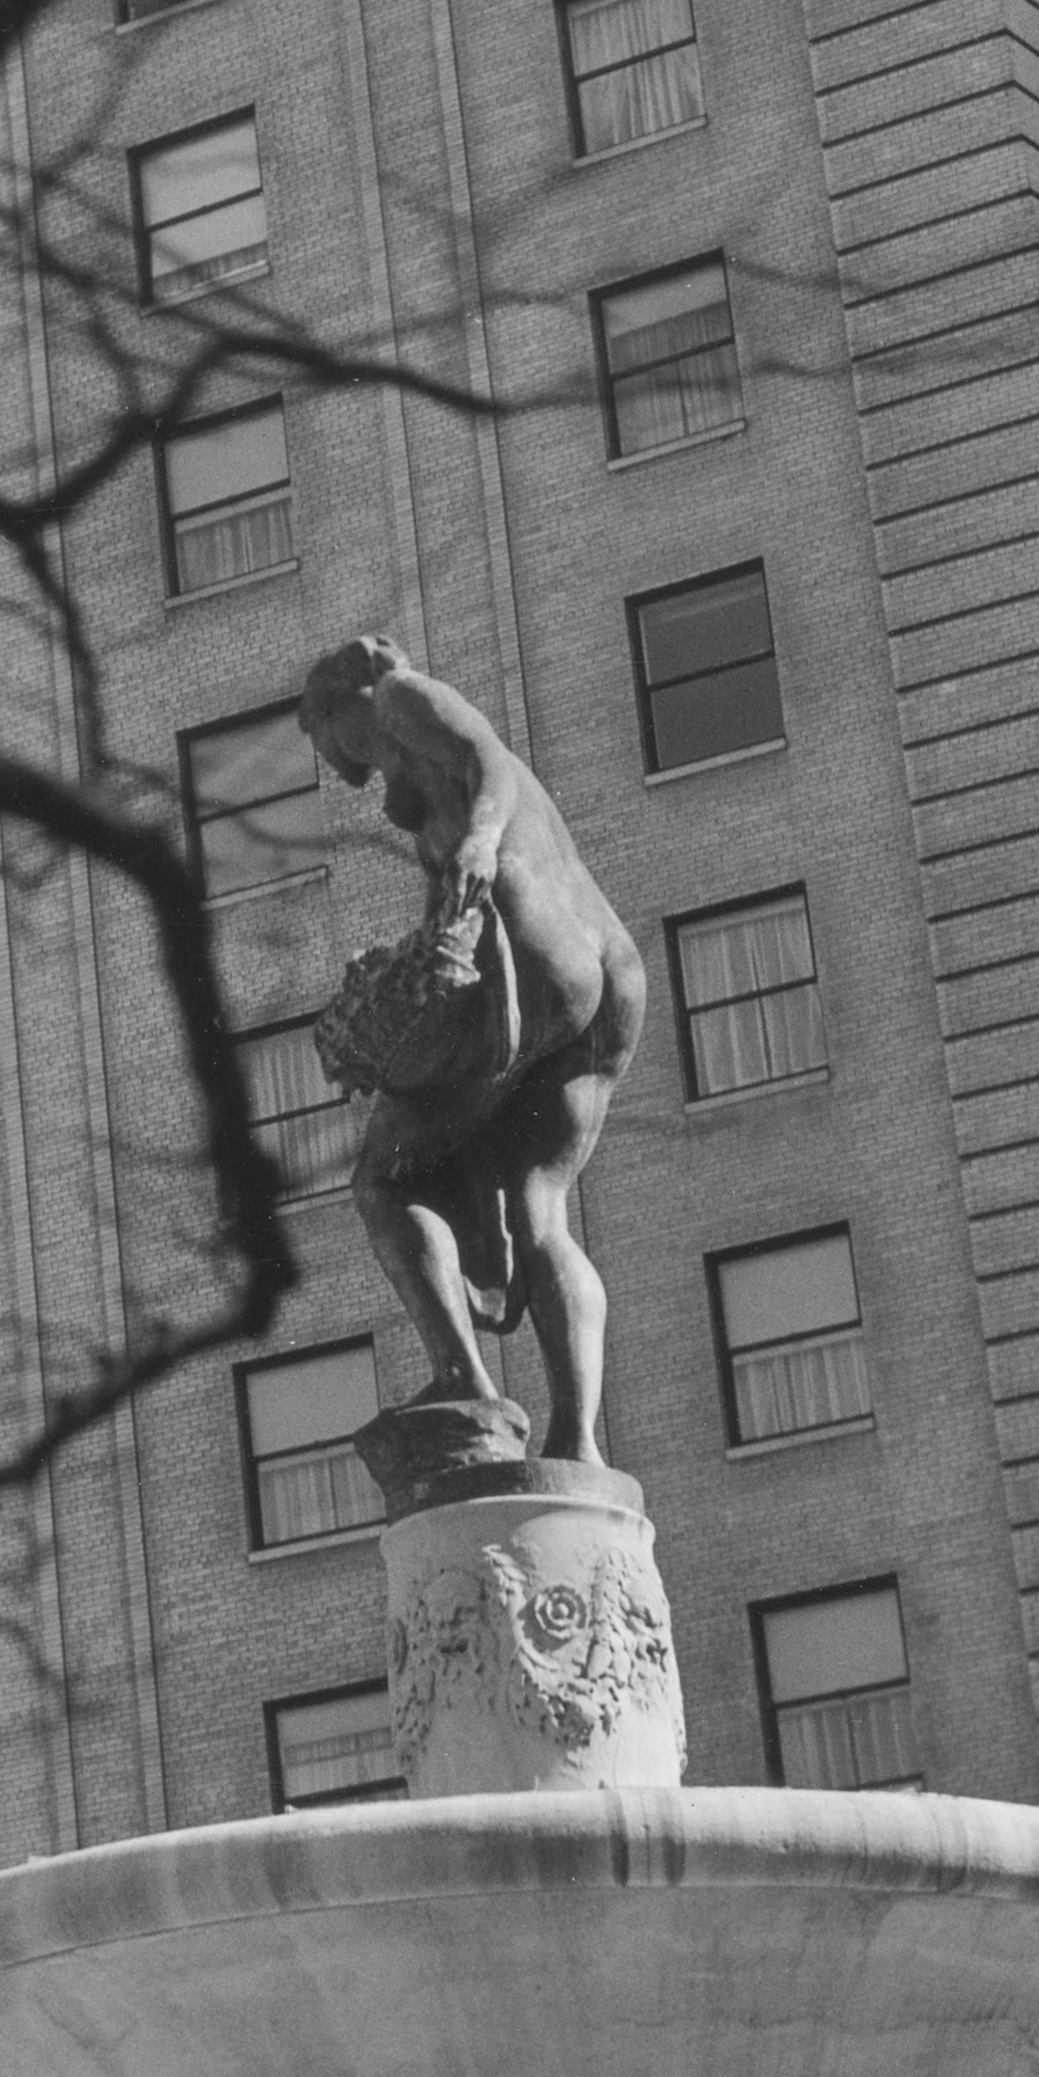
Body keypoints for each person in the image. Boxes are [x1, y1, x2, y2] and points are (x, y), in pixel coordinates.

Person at [294, 626, 643, 1481]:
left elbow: (484, 757)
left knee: (383, 1179)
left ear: (339, 706)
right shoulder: (411, 758)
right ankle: (576, 1442)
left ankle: (463, 1378)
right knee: (539, 1207)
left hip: (530, 956)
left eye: (318, 735)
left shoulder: (399, 697)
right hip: (604, 970)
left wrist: (483, 838)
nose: (331, 761)